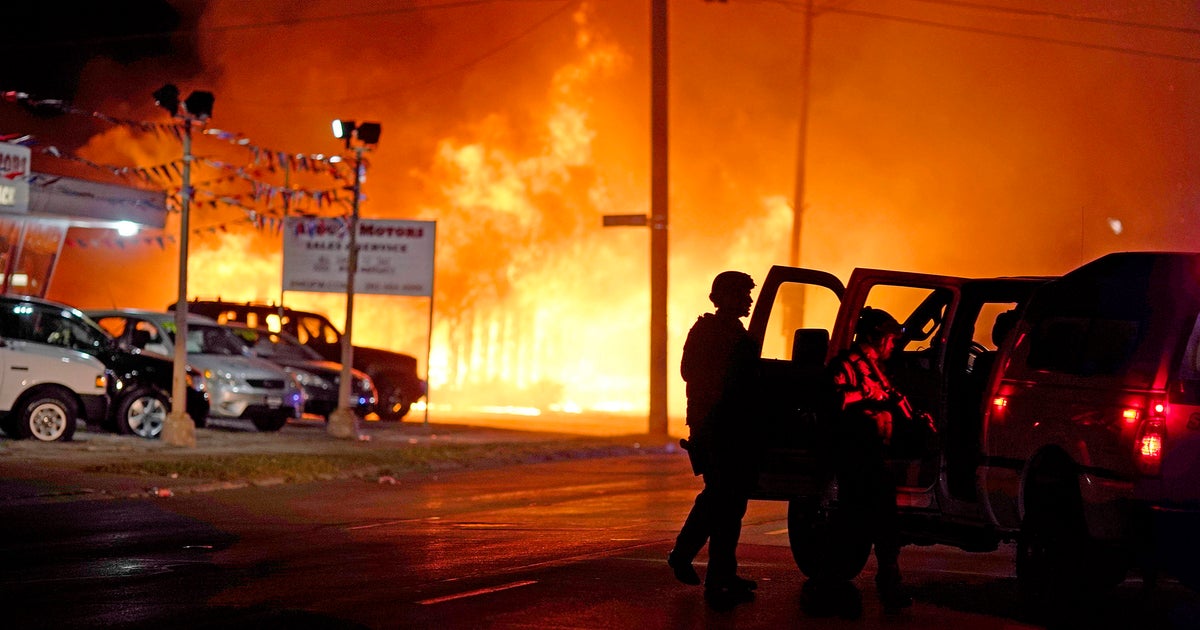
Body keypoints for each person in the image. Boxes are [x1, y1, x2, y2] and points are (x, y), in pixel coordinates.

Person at [668, 270, 762, 608]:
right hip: (715, 426)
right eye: (742, 294)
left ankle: (719, 573)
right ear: (722, 297)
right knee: (722, 498)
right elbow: (690, 372)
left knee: (729, 501)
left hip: (730, 427)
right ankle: (688, 557)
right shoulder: (709, 331)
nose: (748, 300)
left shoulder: (734, 332)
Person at [826, 306, 916, 612]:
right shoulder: (847, 365)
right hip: (856, 456)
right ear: (875, 337)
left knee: (885, 522)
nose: (893, 346)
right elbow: (831, 400)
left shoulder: (878, 368)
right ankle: (837, 584)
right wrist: (865, 393)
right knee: (854, 520)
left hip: (878, 455)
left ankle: (888, 578)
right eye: (890, 339)